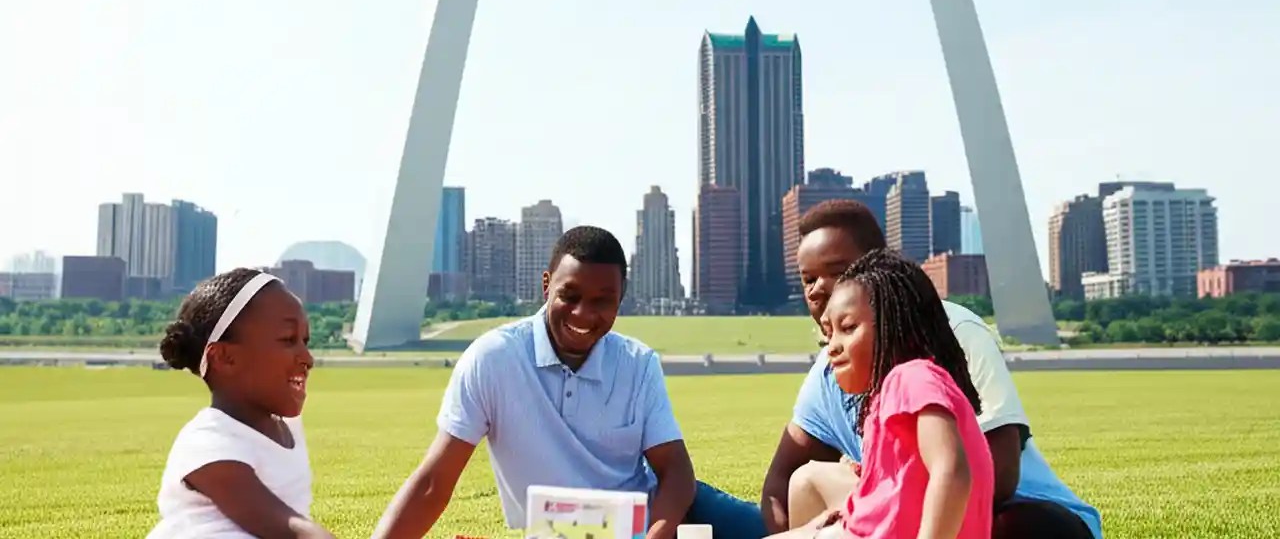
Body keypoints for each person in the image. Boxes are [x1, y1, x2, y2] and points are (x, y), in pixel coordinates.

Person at [760, 200, 1101, 539]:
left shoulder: (932, 350)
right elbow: (782, 479)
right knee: (806, 480)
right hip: (904, 507)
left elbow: (976, 473)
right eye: (808, 279)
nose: (819, 288)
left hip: (1023, 517)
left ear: (882, 273)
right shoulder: (836, 366)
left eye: (839, 272)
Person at [370, 226, 697, 539]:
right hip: (555, 534)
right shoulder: (493, 359)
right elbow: (433, 483)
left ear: (620, 298)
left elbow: (676, 471)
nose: (583, 314)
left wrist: (654, 536)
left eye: (602, 301)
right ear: (546, 285)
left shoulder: (638, 364)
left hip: (654, 522)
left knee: (746, 525)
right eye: (569, 295)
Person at [768, 249, 994, 539]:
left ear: (895, 326)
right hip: (868, 526)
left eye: (848, 328)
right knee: (806, 480)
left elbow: (952, 471)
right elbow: (908, 477)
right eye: (829, 333)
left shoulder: (912, 376)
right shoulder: (886, 395)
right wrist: (871, 472)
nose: (832, 347)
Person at [148, 268, 333, 539]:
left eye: (305, 342)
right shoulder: (209, 441)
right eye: (287, 340)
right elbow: (286, 528)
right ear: (225, 358)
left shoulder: (287, 428)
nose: (307, 358)